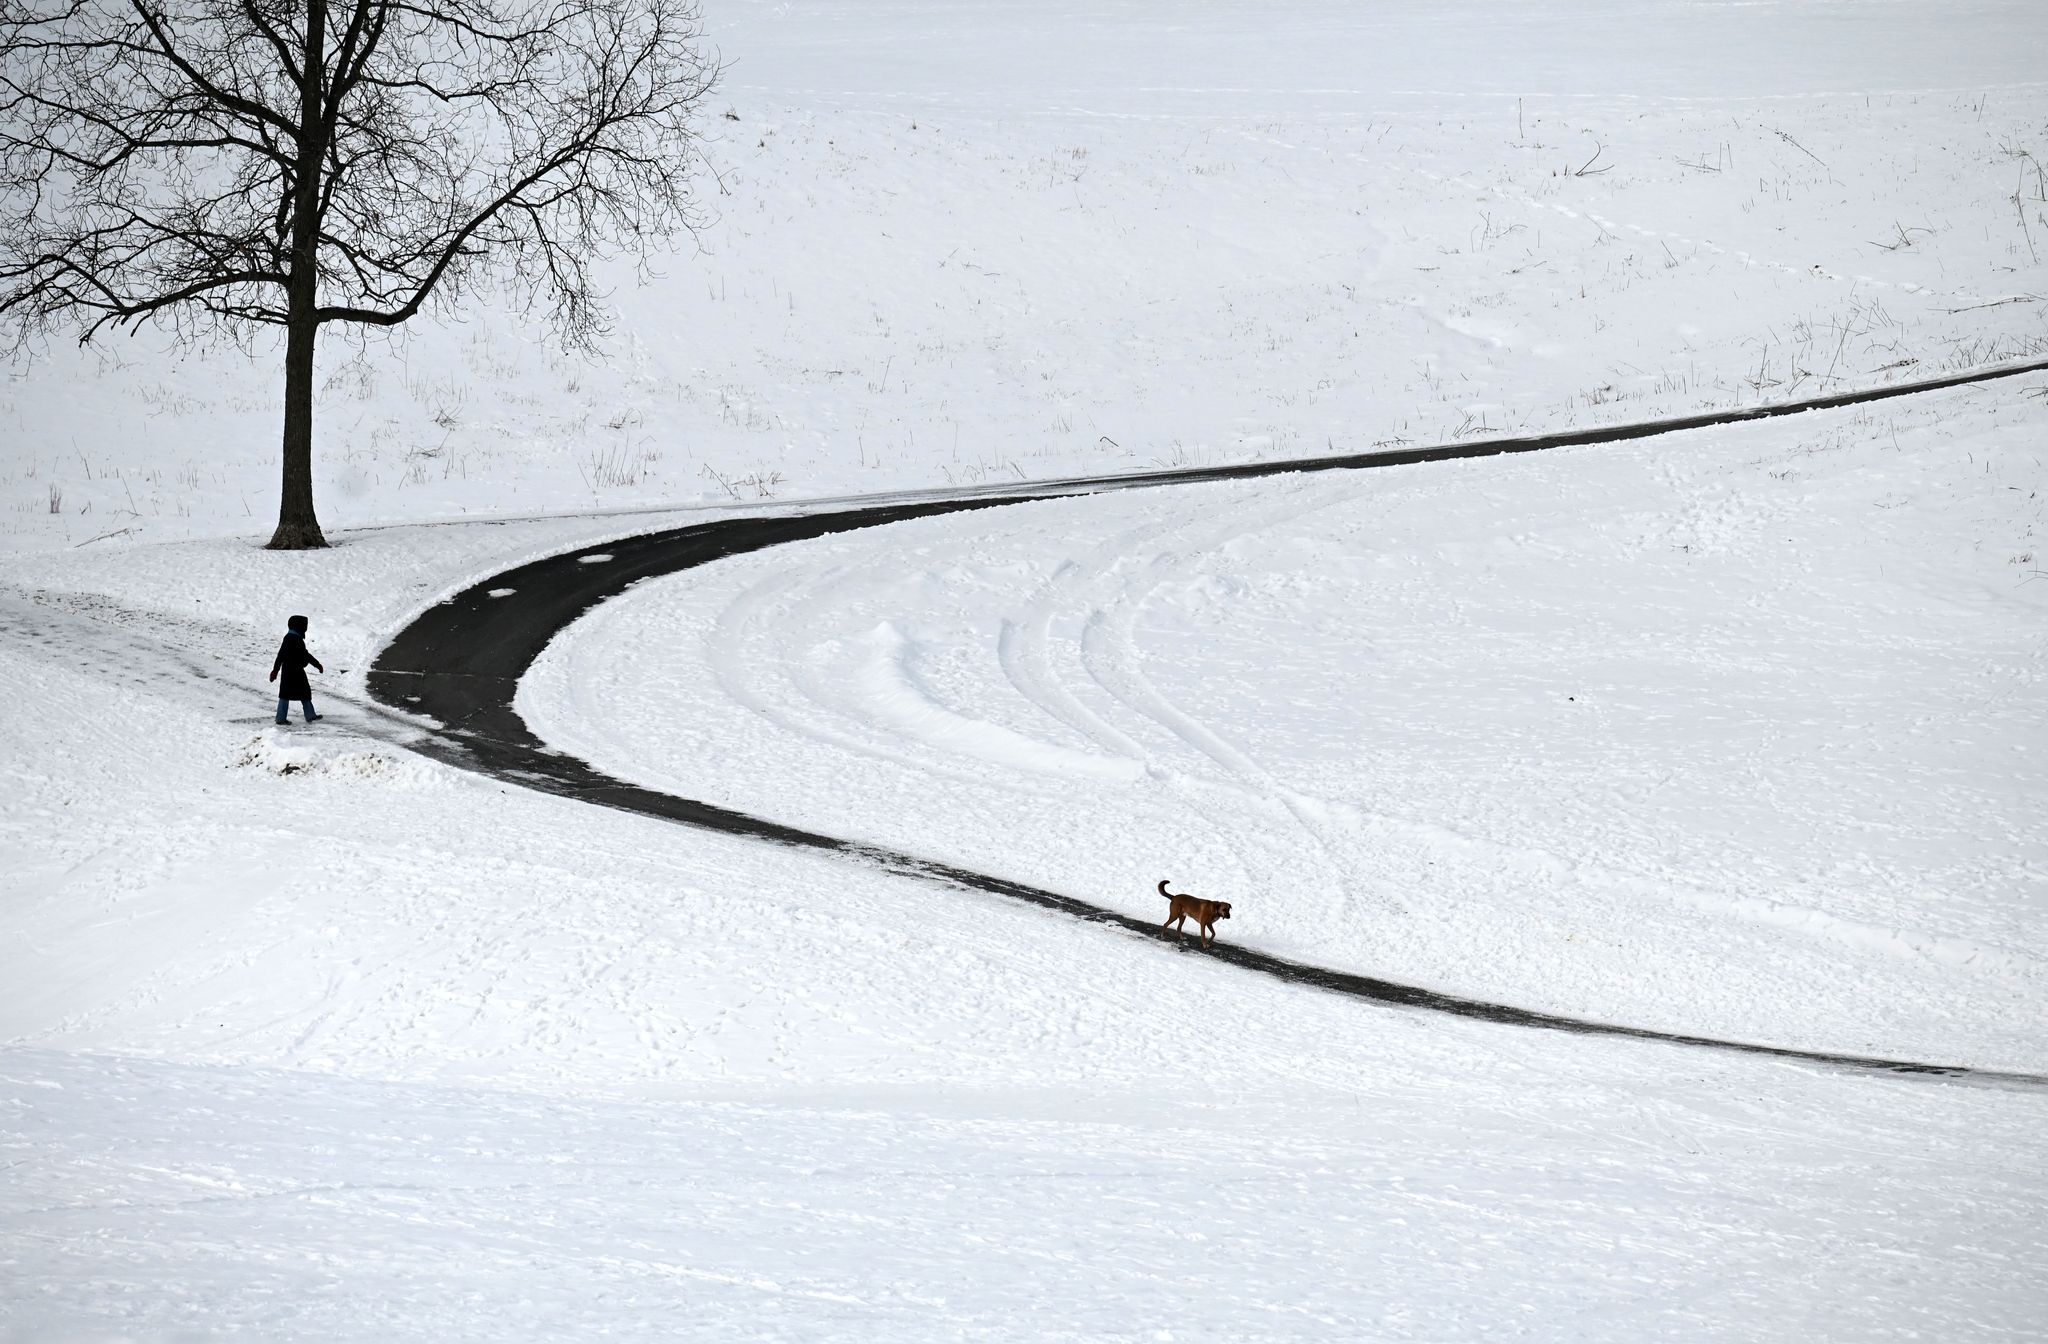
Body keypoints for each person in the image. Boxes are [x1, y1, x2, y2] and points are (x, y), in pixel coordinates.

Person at [269, 614, 325, 724]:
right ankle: (283, 718)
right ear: (299, 626)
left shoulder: (293, 638)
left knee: (297, 693)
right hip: (293, 671)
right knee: (295, 694)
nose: (306, 628)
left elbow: (302, 654)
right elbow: (283, 655)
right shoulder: (292, 639)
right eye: (305, 625)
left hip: (292, 671)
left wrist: (275, 671)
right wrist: (275, 671)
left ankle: (308, 715)